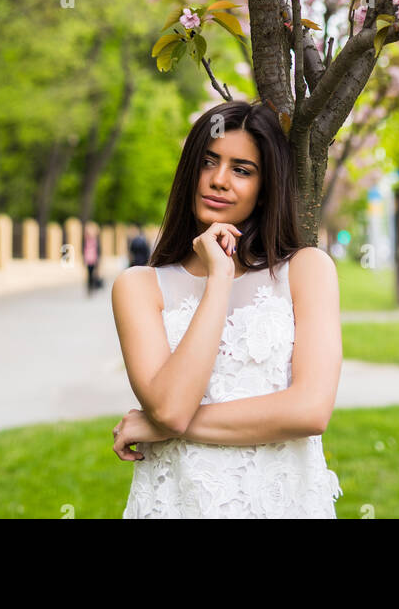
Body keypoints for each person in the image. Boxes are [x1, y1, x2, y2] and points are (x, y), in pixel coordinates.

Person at [110, 99, 343, 519]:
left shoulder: (307, 271)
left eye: (242, 170)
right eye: (208, 162)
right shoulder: (140, 287)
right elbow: (170, 408)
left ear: (265, 186)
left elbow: (309, 409)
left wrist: (157, 429)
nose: (219, 180)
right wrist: (218, 278)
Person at [83, 222, 101, 294]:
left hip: (94, 259)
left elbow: (99, 250)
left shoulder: (96, 240)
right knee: (89, 274)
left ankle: (93, 287)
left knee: (94, 274)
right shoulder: (85, 240)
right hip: (88, 259)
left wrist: (99, 260)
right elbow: (83, 250)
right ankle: (89, 287)